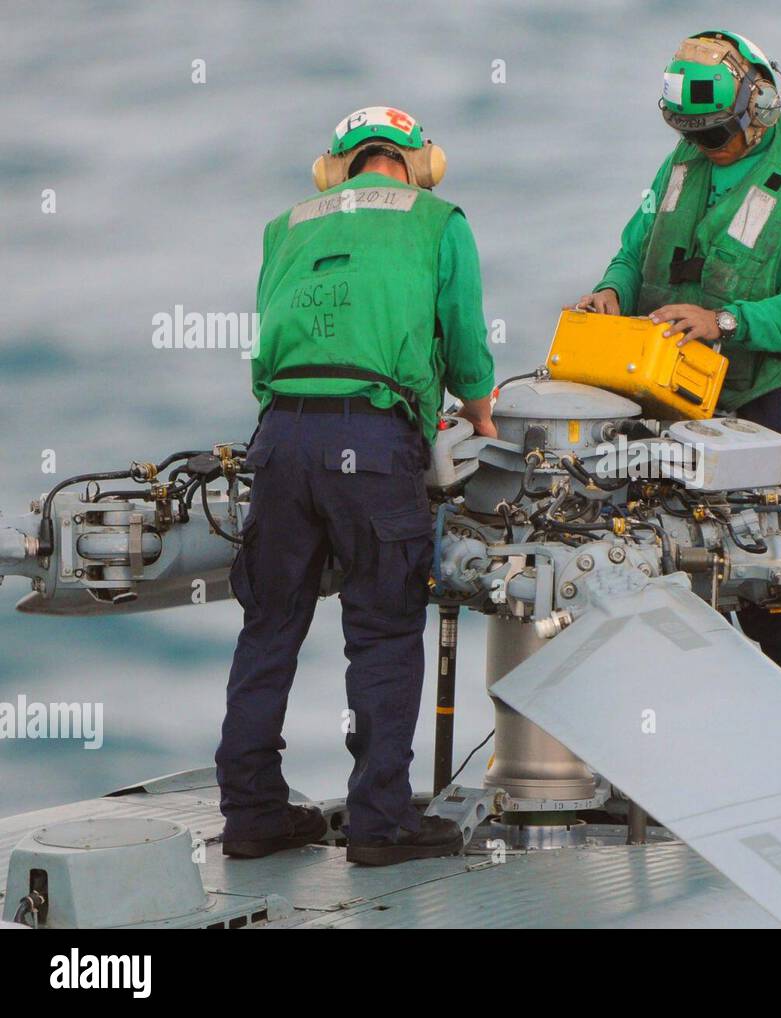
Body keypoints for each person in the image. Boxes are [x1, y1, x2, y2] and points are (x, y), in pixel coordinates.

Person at [216, 106, 496, 866]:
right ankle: (379, 822)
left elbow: (263, 350)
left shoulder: (287, 225)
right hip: (371, 443)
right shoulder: (440, 220)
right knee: (382, 629)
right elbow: (466, 341)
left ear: (336, 168)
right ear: (419, 163)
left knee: (269, 626)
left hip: (278, 438)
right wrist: (478, 412)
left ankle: (250, 815)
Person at [575, 30, 781, 715]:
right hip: (662, 410)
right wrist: (612, 289)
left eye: (721, 138)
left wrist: (726, 322)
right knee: (660, 583)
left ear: (758, 104)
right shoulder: (687, 155)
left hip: (758, 416)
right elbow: (633, 246)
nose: (710, 152)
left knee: (774, 594)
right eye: (698, 140)